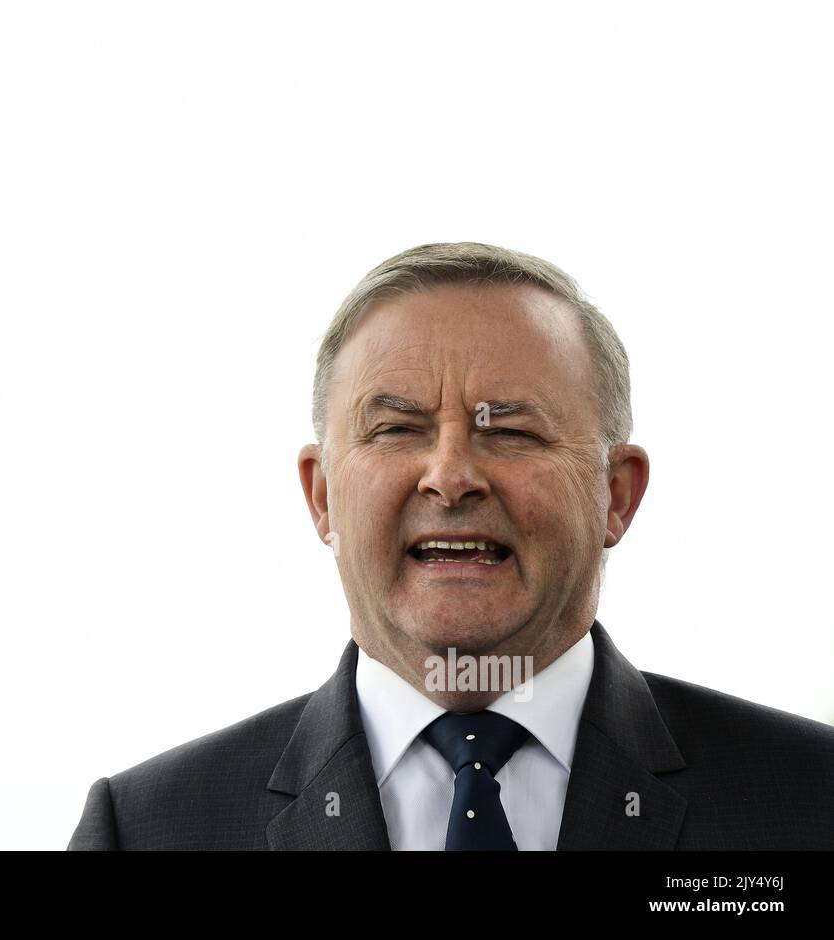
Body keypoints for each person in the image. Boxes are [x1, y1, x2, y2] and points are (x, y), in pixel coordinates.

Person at [67, 242, 834, 850]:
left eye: (511, 430)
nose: (452, 475)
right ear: (322, 495)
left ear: (617, 494)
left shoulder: (812, 801)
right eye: (397, 428)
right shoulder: (146, 831)